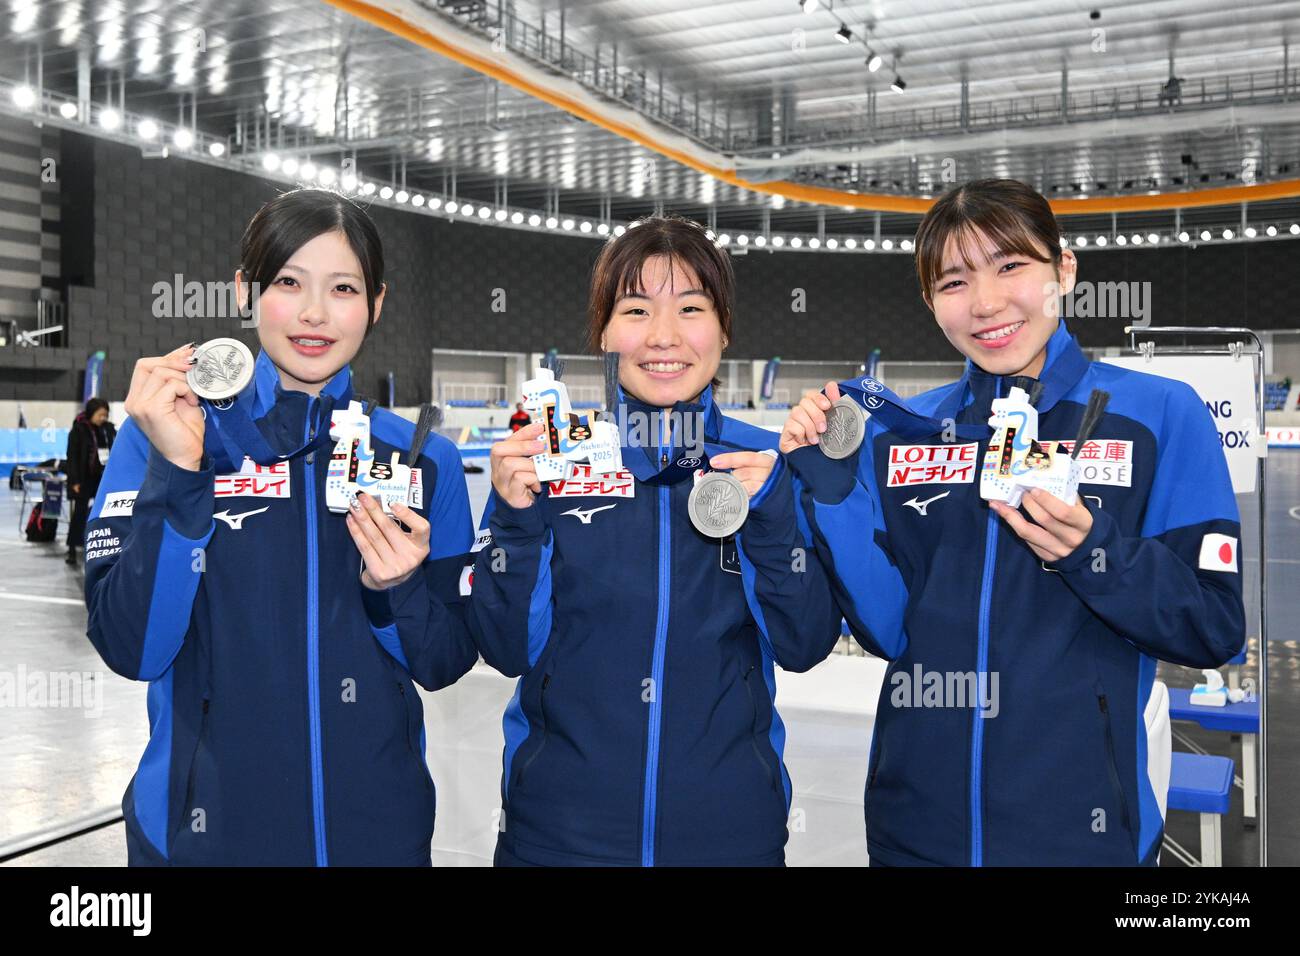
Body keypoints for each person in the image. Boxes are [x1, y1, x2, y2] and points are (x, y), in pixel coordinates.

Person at [779, 178, 1245, 866]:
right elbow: (887, 631)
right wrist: (832, 493)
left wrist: (1094, 551)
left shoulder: (1160, 415)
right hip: (917, 833)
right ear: (932, 303)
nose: (987, 303)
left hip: (1081, 838)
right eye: (954, 281)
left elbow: (1212, 627)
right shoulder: (904, 434)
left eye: (1011, 266)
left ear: (1065, 270)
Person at [83, 188, 478, 866]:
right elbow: (132, 648)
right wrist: (180, 480)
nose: (315, 313)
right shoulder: (166, 439)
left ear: (377, 302)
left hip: (377, 839)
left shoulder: (421, 458)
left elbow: (444, 663)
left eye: (344, 288)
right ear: (245, 290)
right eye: (289, 282)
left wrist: (396, 591)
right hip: (203, 841)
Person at [469, 215, 841, 866]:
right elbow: (503, 649)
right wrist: (515, 519)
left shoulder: (765, 466)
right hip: (558, 839)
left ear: (724, 329)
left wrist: (776, 514)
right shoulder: (553, 466)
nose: (664, 336)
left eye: (691, 308)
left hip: (730, 839)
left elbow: (806, 644)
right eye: (637, 309)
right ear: (604, 332)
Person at [65, 397, 117, 565]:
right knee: (79, 513)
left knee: (105, 513)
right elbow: (72, 457)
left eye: (105, 415)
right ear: (91, 413)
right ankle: (72, 548)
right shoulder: (79, 430)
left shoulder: (108, 429)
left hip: (103, 478)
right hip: (84, 478)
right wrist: (74, 481)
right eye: (100, 415)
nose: (103, 418)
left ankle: (102, 547)